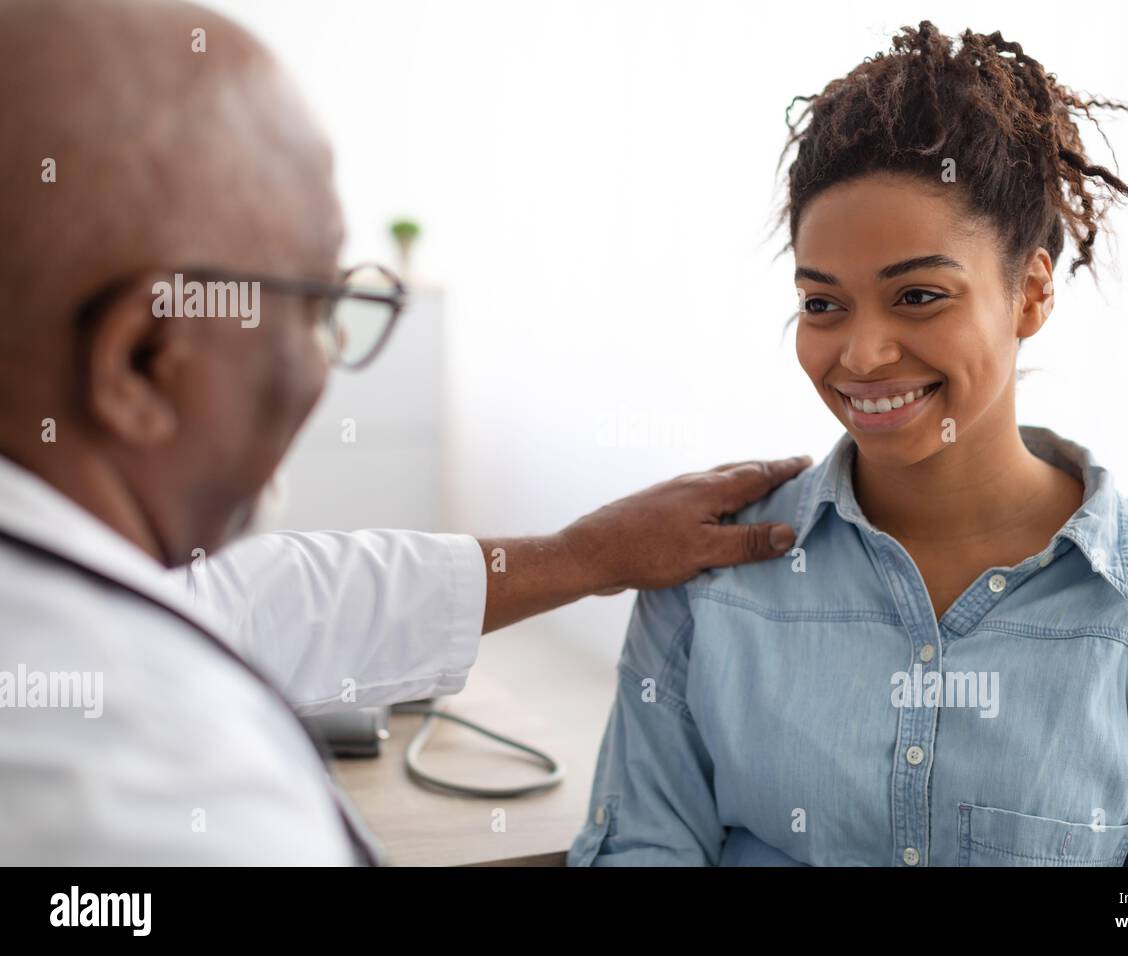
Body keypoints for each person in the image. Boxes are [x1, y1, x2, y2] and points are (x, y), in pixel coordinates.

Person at [0, 0, 810, 865]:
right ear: (145, 360)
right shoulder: (137, 786)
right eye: (321, 303)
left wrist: (588, 553)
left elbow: (265, 598)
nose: (331, 355)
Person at [570, 21, 1128, 866]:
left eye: (917, 296)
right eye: (824, 304)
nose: (862, 355)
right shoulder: (711, 572)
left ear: (1031, 294)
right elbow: (639, 849)